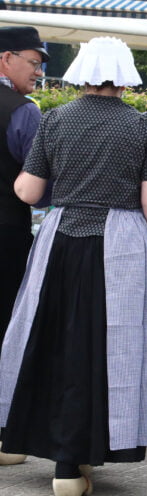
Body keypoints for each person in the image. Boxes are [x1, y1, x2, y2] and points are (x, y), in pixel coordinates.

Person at [0, 37, 147, 496]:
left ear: (82, 71)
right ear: (125, 75)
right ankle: (81, 454)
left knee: (53, 337)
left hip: (61, 238)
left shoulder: (56, 118)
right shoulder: (139, 126)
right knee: (107, 343)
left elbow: (26, 190)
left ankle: (46, 447)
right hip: (119, 242)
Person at [0, 26, 49, 466]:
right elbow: (36, 183)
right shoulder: (23, 111)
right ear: (5, 60)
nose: (38, 71)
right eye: (33, 62)